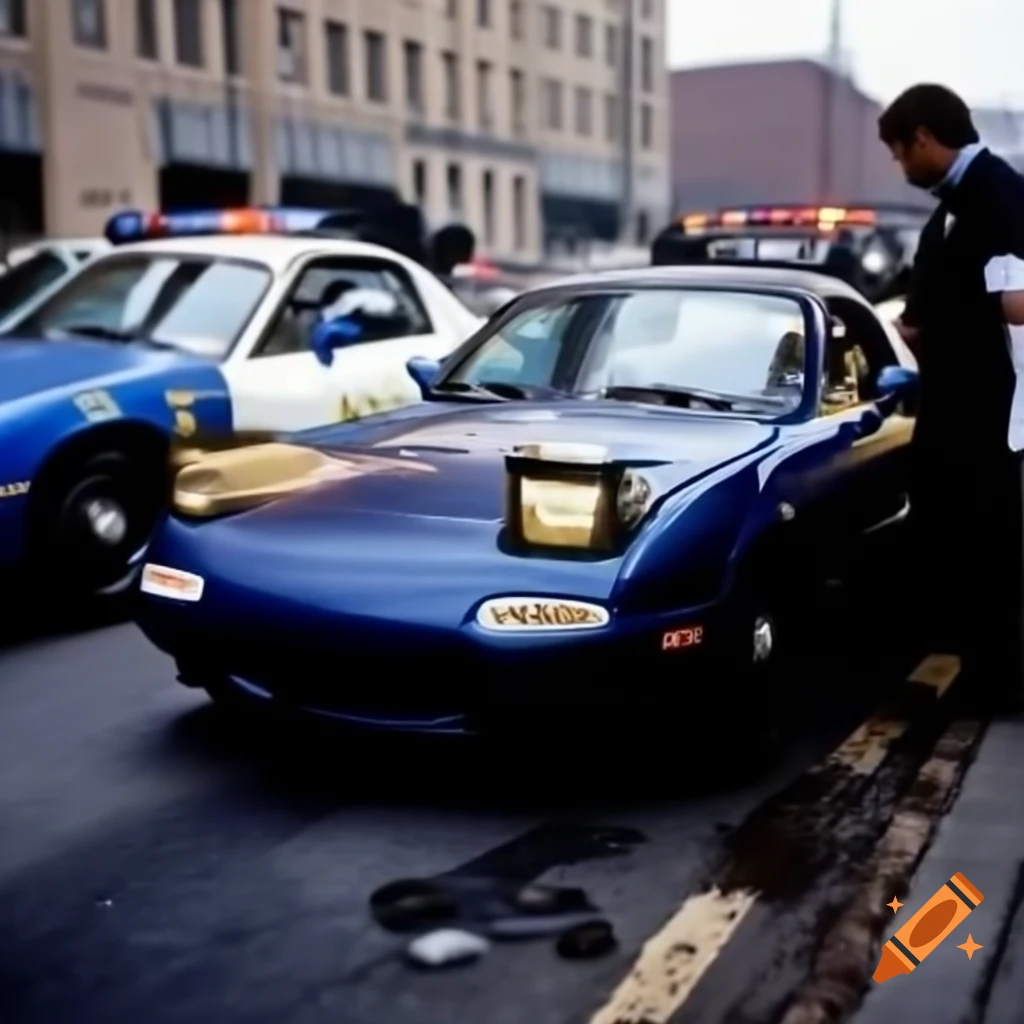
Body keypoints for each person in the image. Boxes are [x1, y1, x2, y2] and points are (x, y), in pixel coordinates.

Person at [878, 83, 1024, 712]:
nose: (899, 165)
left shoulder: (998, 193)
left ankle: (995, 682)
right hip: (953, 403)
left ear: (925, 139)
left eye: (899, 151)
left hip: (987, 408)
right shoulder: (952, 204)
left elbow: (1013, 303)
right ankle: (971, 670)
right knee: (955, 539)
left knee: (987, 544)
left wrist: (939, 326)